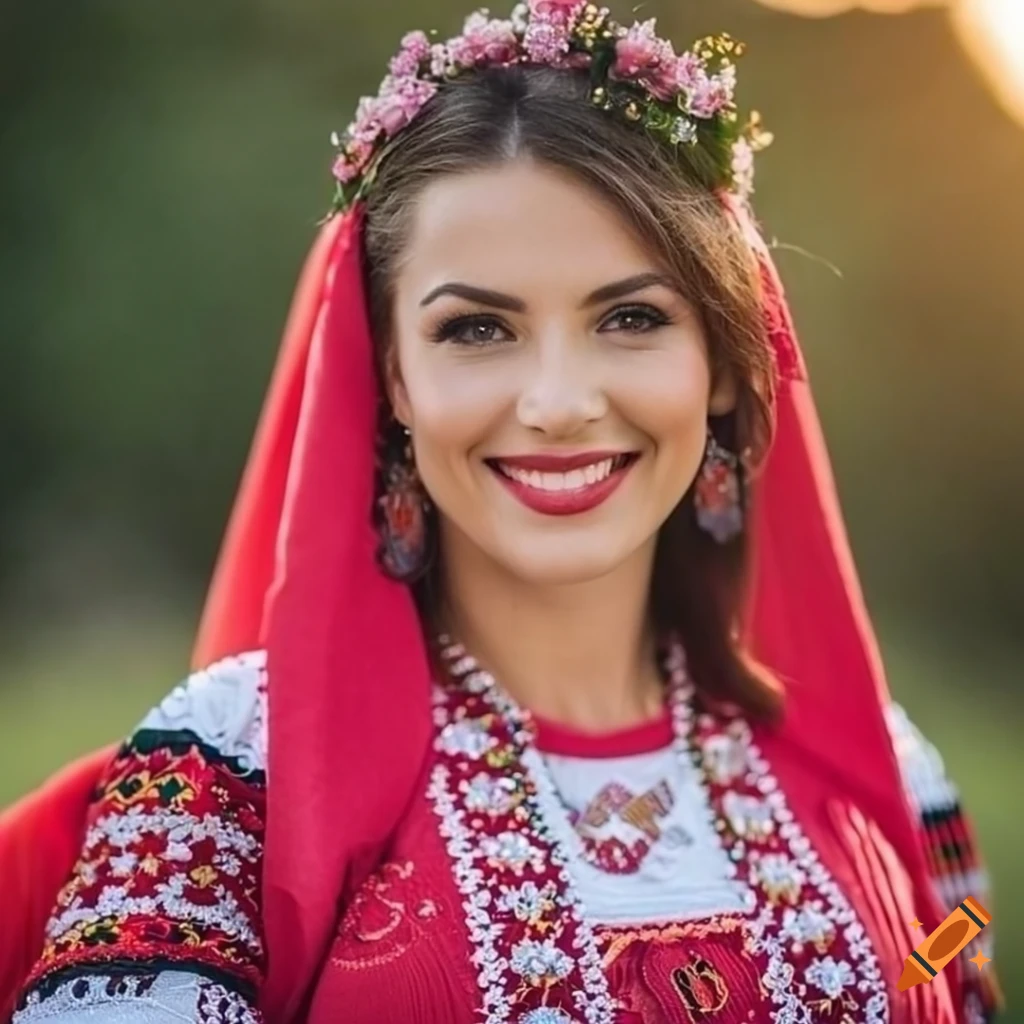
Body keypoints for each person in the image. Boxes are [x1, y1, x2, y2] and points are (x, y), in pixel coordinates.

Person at [0, 2, 1003, 1022]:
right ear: (387, 372)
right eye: (478, 328)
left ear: (719, 363)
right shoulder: (235, 771)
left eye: (631, 318)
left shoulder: (891, 777)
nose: (558, 403)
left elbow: (953, 985)